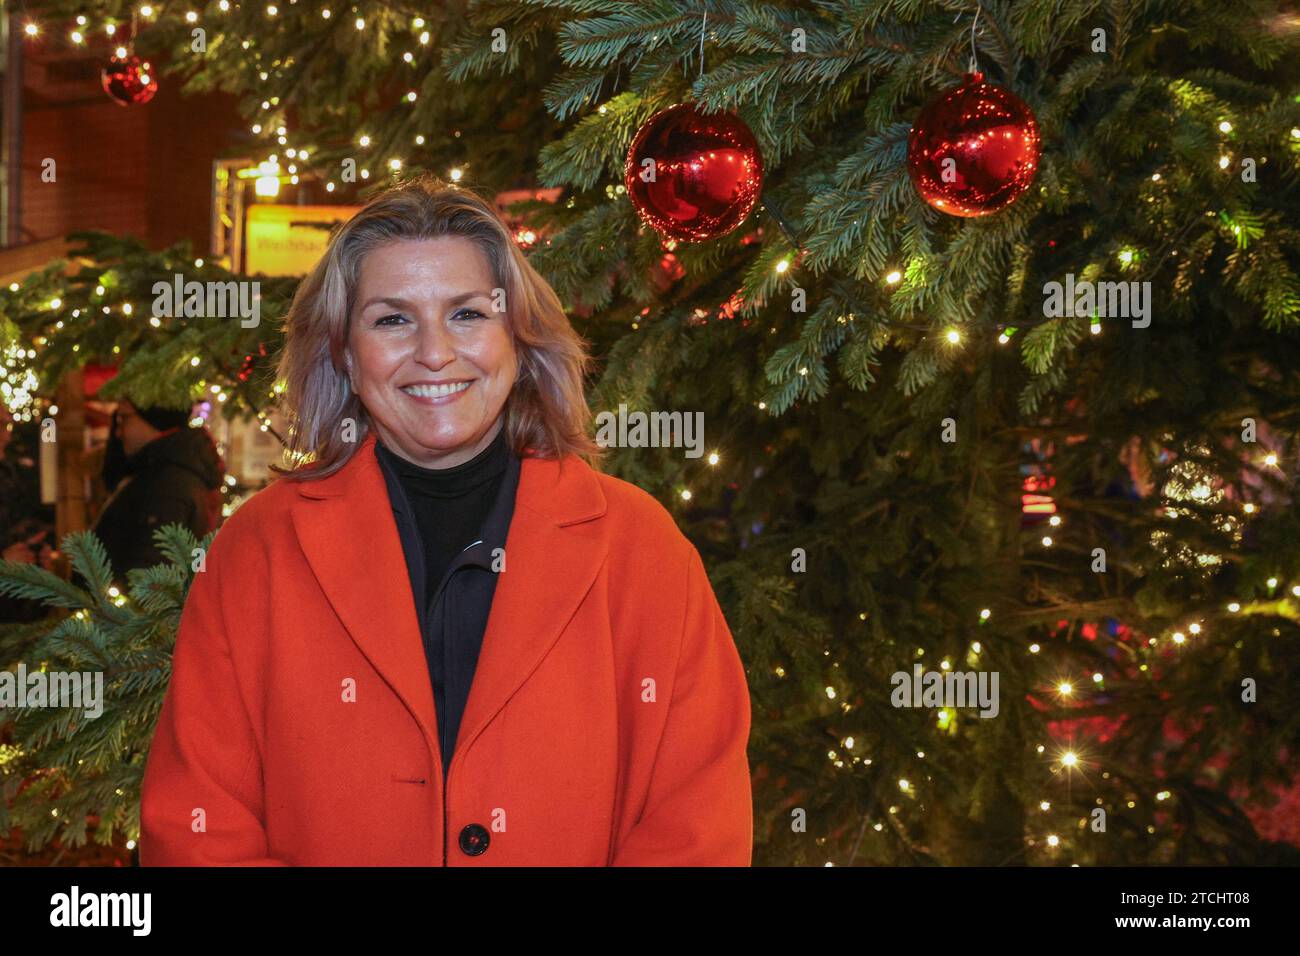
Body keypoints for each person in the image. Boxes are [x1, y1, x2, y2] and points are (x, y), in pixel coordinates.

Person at [139, 175, 754, 866]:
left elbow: (697, 828)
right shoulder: (256, 552)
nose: (435, 353)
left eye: (467, 314)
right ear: (344, 352)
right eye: (392, 319)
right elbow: (197, 828)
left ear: (519, 338)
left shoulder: (641, 550)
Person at [93, 401, 224, 579]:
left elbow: (149, 581)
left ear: (153, 420)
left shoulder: (168, 486)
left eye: (123, 418)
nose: (118, 431)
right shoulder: (167, 473)